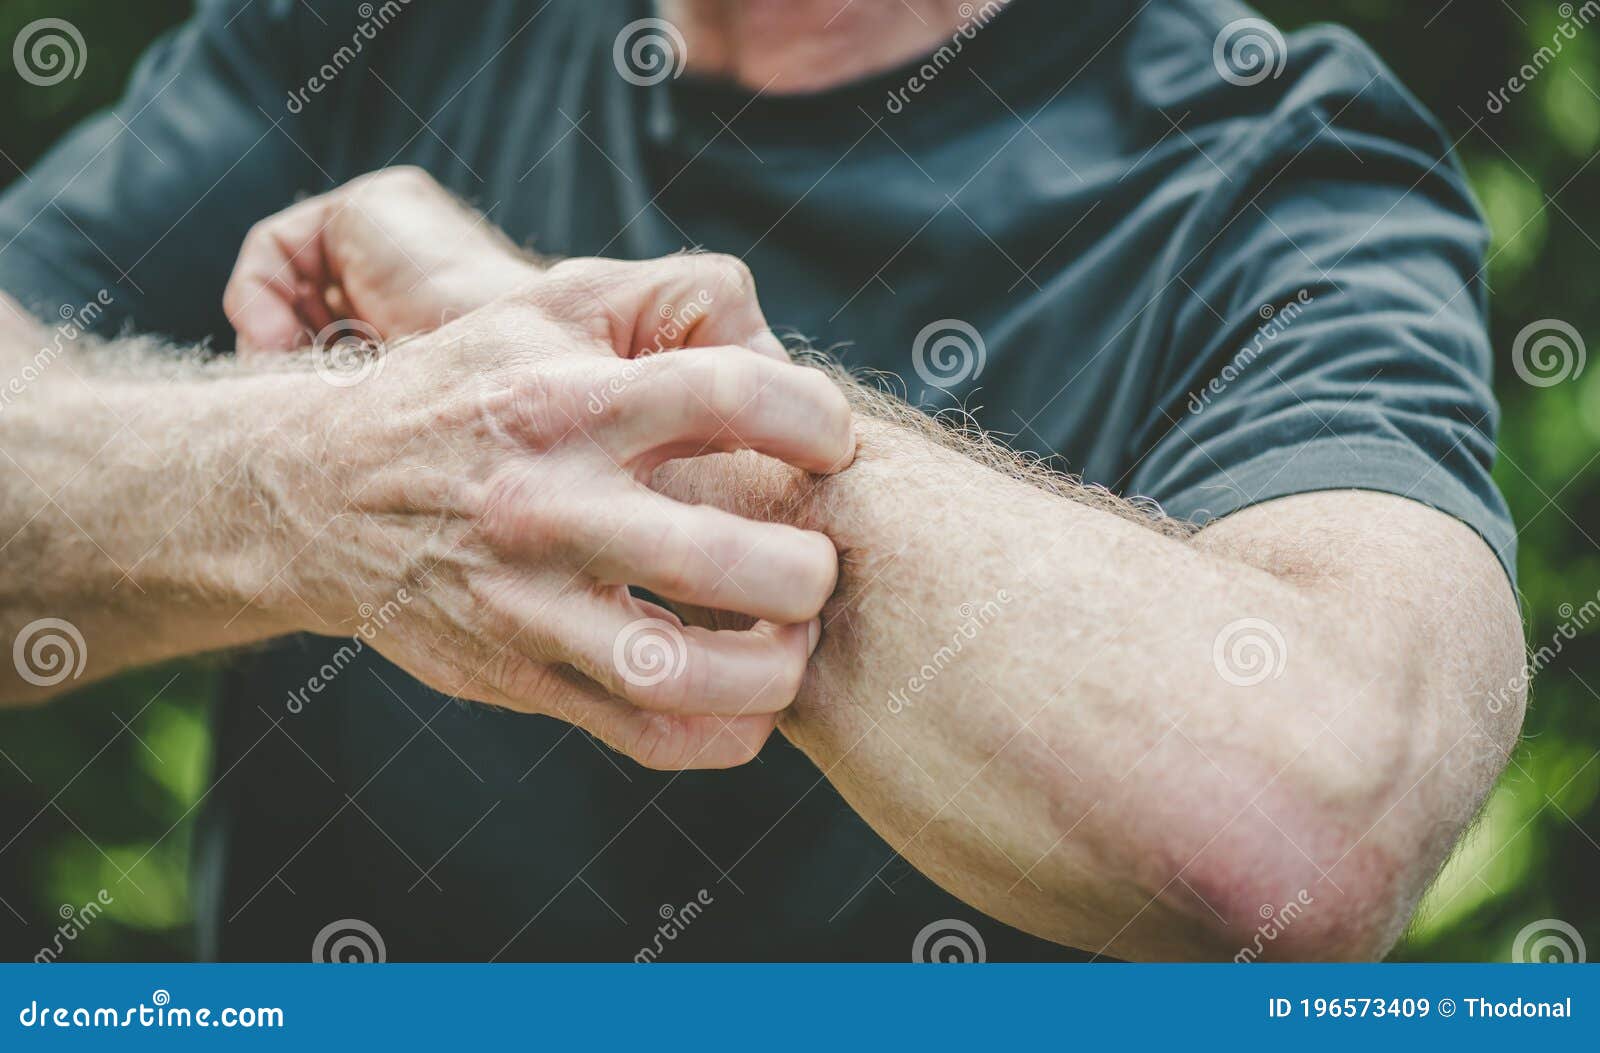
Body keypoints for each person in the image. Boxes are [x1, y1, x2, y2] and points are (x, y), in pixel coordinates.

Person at [0, 0, 1524, 961]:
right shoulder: (369, 30)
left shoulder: (1280, 161)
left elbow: (1306, 829)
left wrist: (552, 387)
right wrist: (296, 479)